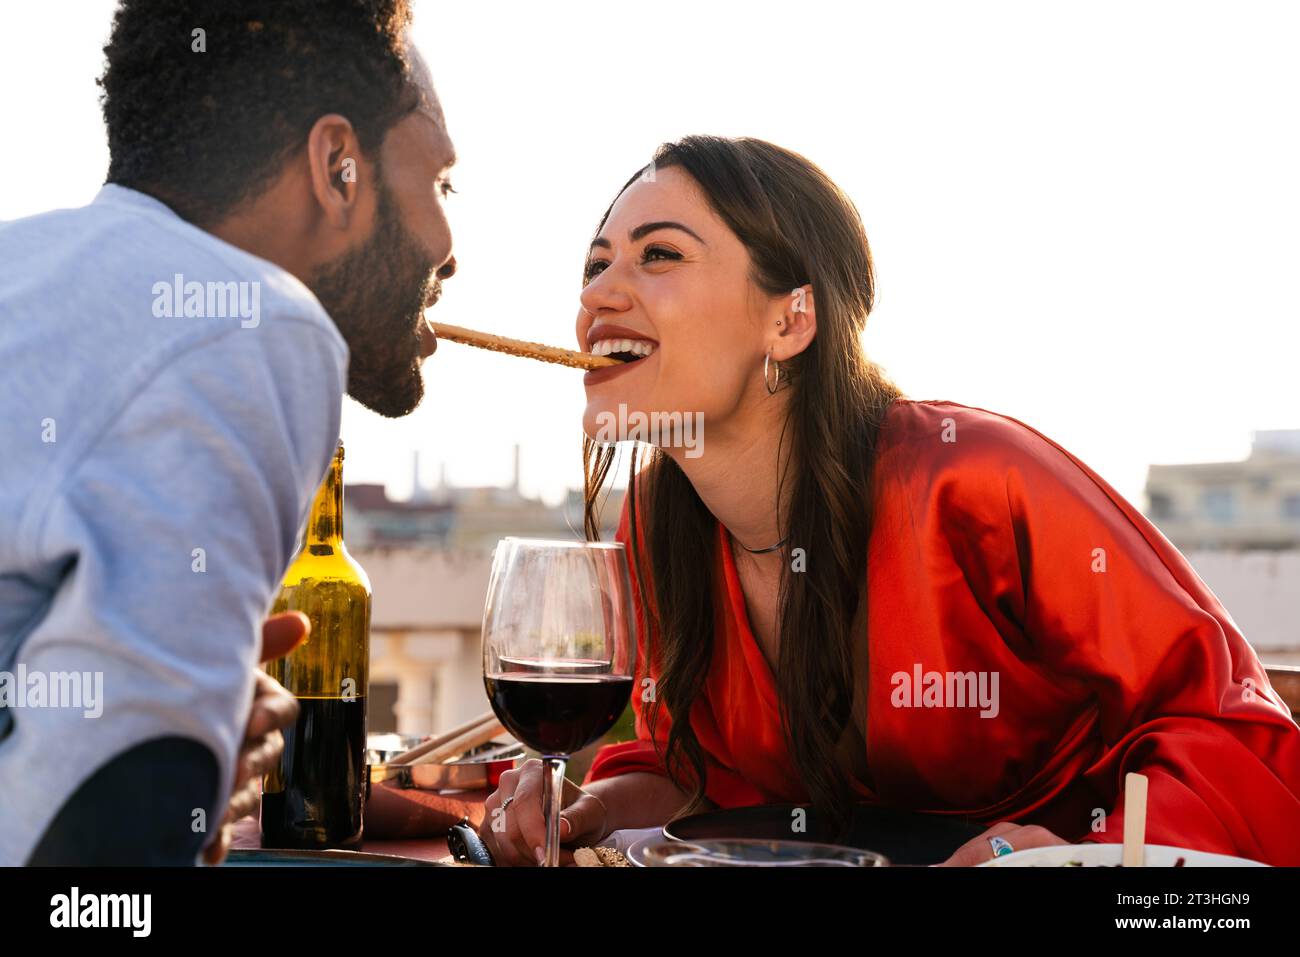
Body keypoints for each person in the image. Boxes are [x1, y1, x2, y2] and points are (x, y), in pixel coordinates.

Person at [479, 134, 1300, 867]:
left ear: (791, 320)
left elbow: (1236, 730)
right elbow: (696, 775)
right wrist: (588, 808)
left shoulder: (973, 479)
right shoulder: (659, 518)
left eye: (657, 255)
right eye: (595, 265)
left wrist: (1071, 854)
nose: (597, 298)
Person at [0, 0, 456, 865]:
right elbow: (103, 875)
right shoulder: (252, 323)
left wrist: (176, 732)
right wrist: (168, 780)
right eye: (441, 183)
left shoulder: (29, 271)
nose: (449, 244)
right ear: (338, 168)